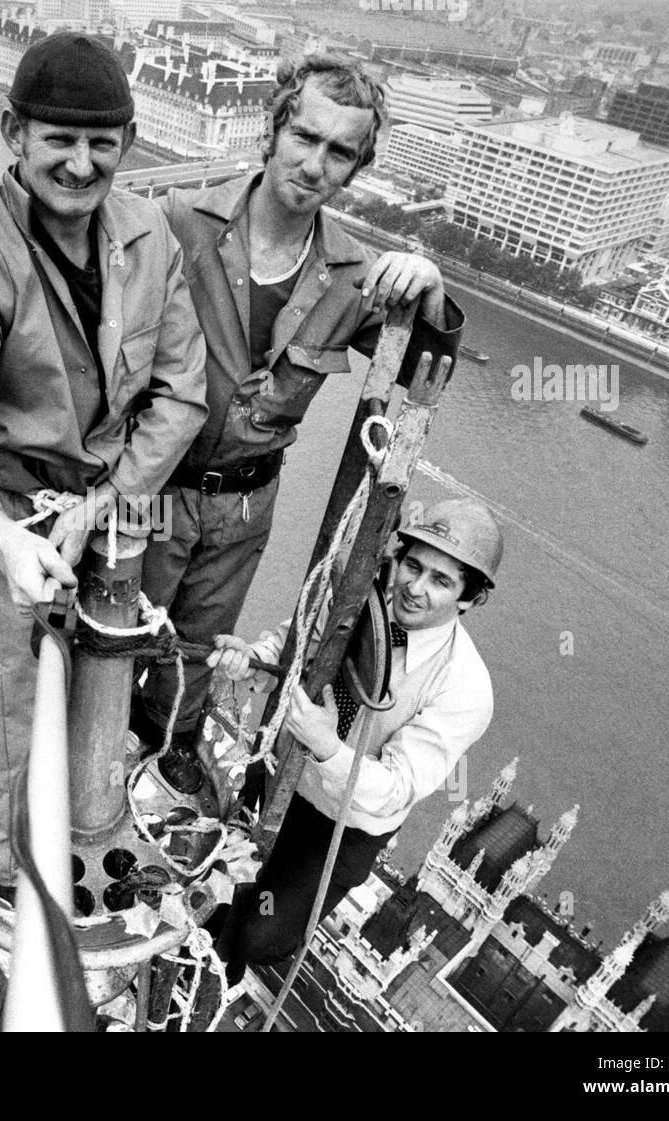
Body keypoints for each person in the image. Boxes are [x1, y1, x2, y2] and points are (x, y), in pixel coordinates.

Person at [0, 32, 208, 902]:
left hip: (121, 507)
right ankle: (12, 877)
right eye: (59, 140)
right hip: (18, 523)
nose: (80, 164)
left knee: (105, 690)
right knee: (13, 721)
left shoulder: (149, 235)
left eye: (101, 143)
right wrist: (0, 535)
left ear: (129, 143)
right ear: (13, 134)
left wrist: (108, 500)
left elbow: (181, 396)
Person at [133, 54, 465, 794]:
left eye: (340, 151)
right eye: (305, 137)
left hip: (245, 503)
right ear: (274, 128)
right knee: (122, 626)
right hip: (154, 483)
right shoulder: (178, 222)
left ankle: (166, 757)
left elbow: (419, 379)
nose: (315, 164)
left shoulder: (355, 277)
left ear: (356, 167)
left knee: (193, 651)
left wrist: (434, 297)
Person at [209, 497, 503, 983]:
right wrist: (254, 659)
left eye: (441, 581)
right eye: (413, 566)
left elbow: (396, 788)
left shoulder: (465, 688)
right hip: (282, 769)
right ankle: (201, 950)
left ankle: (222, 971)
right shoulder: (357, 598)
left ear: (469, 600)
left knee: (261, 935)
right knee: (216, 876)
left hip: (342, 826)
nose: (414, 588)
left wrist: (327, 746)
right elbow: (294, 642)